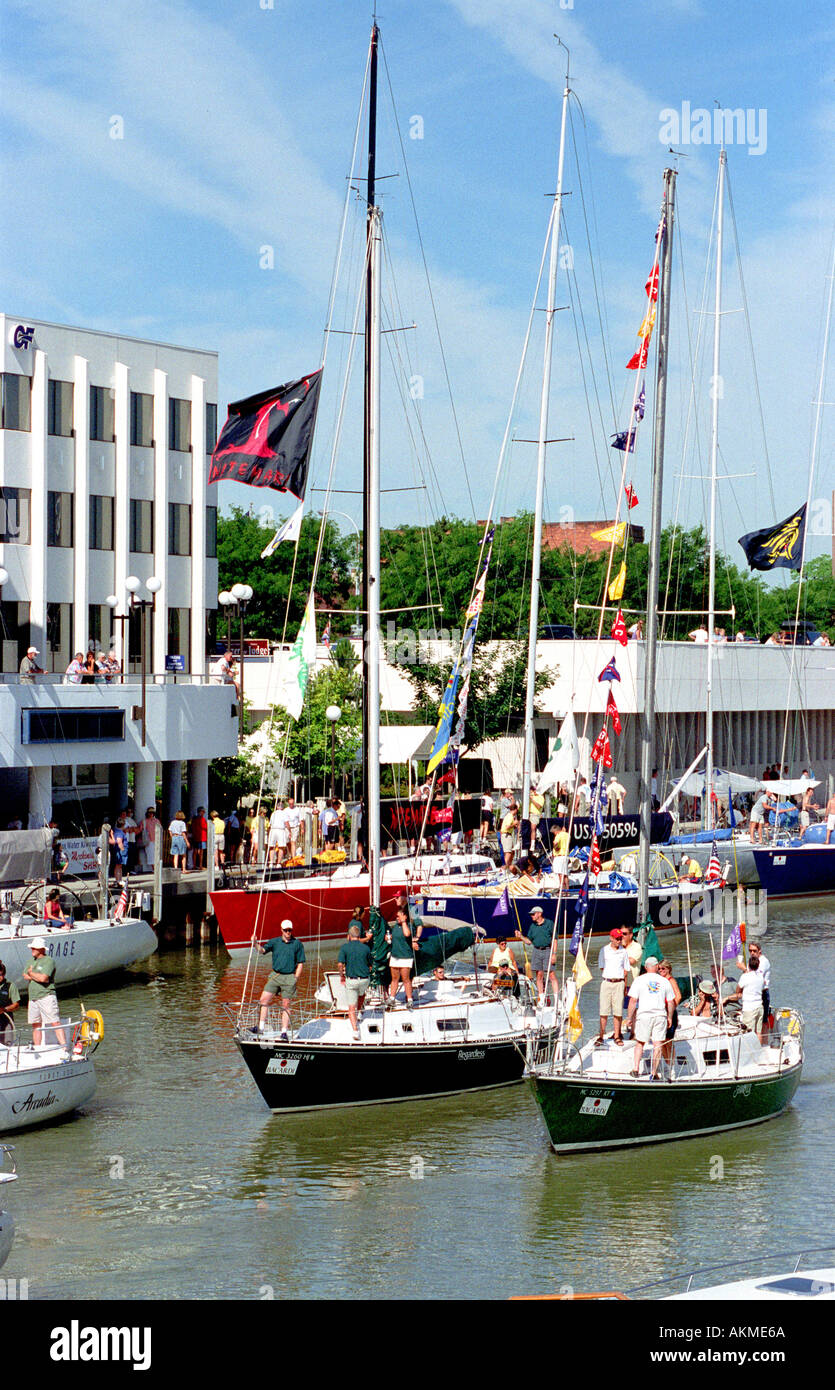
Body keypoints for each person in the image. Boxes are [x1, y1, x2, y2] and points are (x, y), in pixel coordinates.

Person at [626, 956, 675, 1079]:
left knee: (640, 1042)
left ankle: (635, 1069)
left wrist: (629, 1017)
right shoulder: (664, 981)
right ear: (657, 966)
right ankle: (654, 1073)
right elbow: (671, 1002)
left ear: (646, 967)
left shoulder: (639, 980)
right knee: (657, 1044)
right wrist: (669, 1017)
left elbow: (632, 1000)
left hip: (644, 1015)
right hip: (660, 1015)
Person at [257, 919, 305, 1040]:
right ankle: (261, 1028)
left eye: (290, 930)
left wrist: (295, 978)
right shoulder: (275, 942)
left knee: (286, 1004)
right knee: (263, 1000)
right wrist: (254, 943)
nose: (288, 932)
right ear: (281, 930)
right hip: (276, 976)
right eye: (286, 930)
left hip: (289, 977)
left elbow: (300, 963)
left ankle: (284, 1032)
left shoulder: (297, 944)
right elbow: (262, 951)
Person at [23, 937, 66, 1049]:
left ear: (41, 949)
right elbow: (25, 975)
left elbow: (44, 978)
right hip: (33, 998)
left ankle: (64, 1047)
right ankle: (37, 1048)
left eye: (34, 947)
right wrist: (33, 975)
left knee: (54, 1022)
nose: (32, 949)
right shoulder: (30, 961)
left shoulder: (49, 961)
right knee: (35, 1025)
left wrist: (31, 974)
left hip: (46, 995)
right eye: (32, 947)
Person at [337, 922, 372, 1040]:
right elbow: (370, 965)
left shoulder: (345, 948)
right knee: (362, 994)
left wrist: (342, 976)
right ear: (359, 935)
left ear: (349, 936)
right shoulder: (366, 948)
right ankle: (360, 1011)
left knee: (351, 1007)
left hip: (351, 981)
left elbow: (340, 964)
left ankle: (355, 1031)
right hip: (365, 980)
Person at [596, 928, 629, 1046]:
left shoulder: (624, 952)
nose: (619, 941)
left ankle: (617, 1036)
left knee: (618, 1012)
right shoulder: (604, 950)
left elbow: (626, 969)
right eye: (617, 939)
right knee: (603, 1011)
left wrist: (624, 985)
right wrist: (610, 975)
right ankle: (601, 1036)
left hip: (619, 983)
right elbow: (602, 966)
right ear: (611, 938)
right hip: (607, 982)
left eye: (620, 939)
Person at [518, 906, 558, 1004]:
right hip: (536, 951)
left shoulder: (549, 924)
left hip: (548, 950)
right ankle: (541, 998)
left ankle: (557, 999)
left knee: (551, 975)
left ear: (539, 913)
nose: (531, 916)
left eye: (533, 914)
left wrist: (554, 954)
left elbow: (555, 940)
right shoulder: (533, 926)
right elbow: (528, 942)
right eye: (531, 914)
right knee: (539, 975)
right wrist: (520, 936)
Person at [730, 954, 765, 1036]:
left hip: (750, 1008)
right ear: (758, 965)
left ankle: (751, 1049)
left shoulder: (745, 977)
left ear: (749, 965)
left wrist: (744, 969)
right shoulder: (760, 977)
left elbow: (738, 990)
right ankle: (758, 1048)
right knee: (759, 1032)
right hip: (759, 1006)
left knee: (748, 1033)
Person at [387, 907, 415, 1007]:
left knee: (406, 979)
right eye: (396, 917)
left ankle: (409, 999)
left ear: (405, 916)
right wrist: (388, 938)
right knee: (394, 978)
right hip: (395, 956)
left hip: (405, 957)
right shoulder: (395, 927)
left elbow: (407, 934)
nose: (397, 918)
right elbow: (393, 937)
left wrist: (403, 922)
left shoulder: (409, 926)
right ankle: (392, 998)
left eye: (399, 916)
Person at [658, 959, 682, 1063]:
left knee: (668, 1041)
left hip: (669, 1014)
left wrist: (670, 1009)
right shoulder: (661, 980)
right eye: (659, 969)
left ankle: (671, 1063)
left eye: (663, 968)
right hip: (661, 1013)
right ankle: (667, 1063)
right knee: (662, 1041)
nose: (661, 970)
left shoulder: (671, 981)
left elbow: (678, 996)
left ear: (668, 969)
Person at [0, 961, 20, 1043]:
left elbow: (16, 1004)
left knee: (8, 1044)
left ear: (4, 975)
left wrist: (4, 1009)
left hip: (6, 1020)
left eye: (0, 975)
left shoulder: (11, 986)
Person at [620, 924, 642, 990]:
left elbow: (631, 961)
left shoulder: (637, 947)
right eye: (620, 934)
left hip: (631, 985)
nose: (622, 936)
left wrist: (619, 952)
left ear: (631, 935)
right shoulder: (617, 946)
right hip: (618, 984)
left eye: (624, 934)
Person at [109, 815, 129, 883]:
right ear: (123, 825)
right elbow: (119, 841)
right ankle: (118, 879)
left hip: (118, 850)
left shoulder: (115, 830)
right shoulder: (120, 832)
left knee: (119, 866)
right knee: (118, 865)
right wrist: (123, 850)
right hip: (120, 850)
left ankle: (120, 879)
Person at [500, 801, 519, 870]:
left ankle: (508, 866)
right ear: (515, 810)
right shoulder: (510, 816)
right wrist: (514, 824)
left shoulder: (510, 816)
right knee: (508, 852)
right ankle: (504, 868)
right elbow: (507, 826)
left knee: (511, 852)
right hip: (506, 835)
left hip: (508, 835)